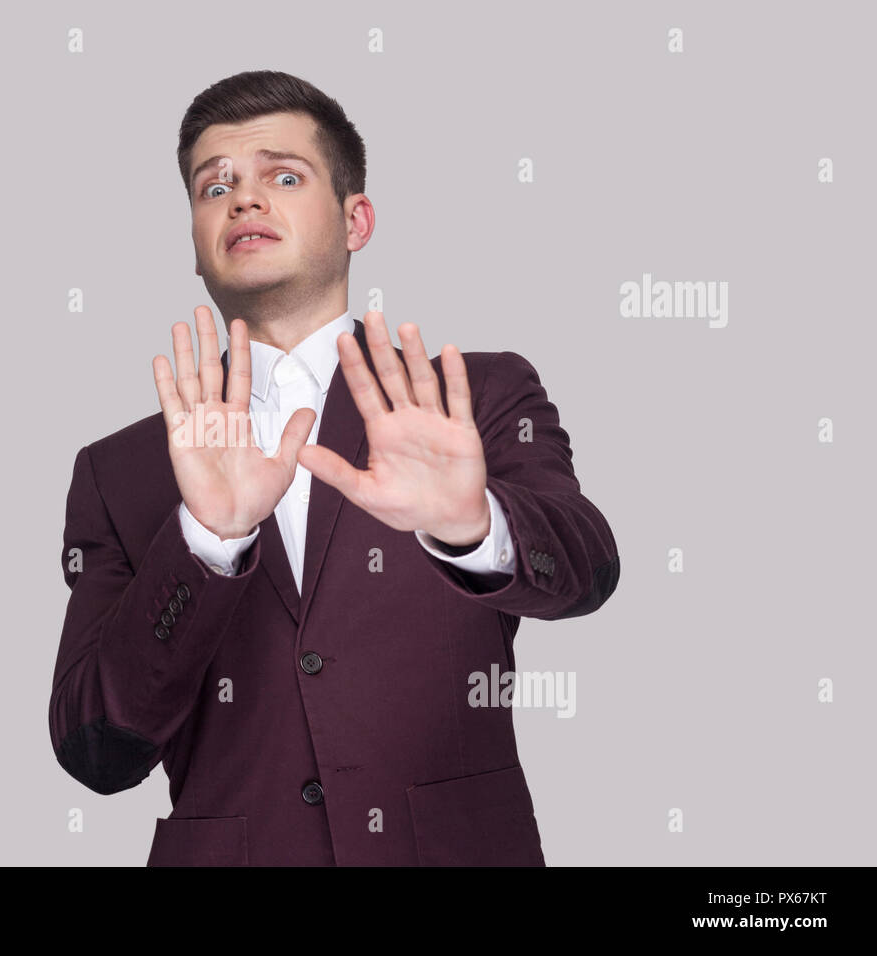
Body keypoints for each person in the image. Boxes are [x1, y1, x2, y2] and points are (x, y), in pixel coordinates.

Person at [48, 70, 620, 865]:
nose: (244, 199)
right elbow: (97, 752)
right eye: (215, 187)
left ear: (357, 220)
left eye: (284, 176)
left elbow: (587, 573)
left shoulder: (474, 393)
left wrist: (472, 525)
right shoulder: (118, 471)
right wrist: (206, 542)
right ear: (194, 239)